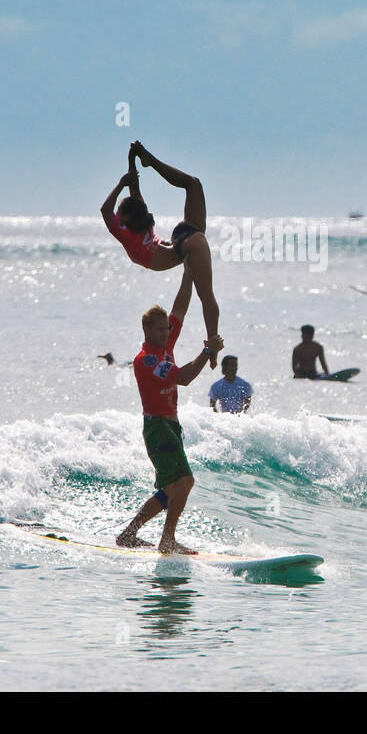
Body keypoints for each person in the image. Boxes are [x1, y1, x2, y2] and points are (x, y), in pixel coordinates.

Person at [117, 266, 222, 554]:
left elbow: (181, 306)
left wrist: (190, 269)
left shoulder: (166, 341)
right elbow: (185, 378)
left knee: (172, 489)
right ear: (147, 330)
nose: (166, 333)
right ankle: (167, 540)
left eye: (167, 329)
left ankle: (129, 533)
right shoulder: (146, 360)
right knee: (185, 481)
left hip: (171, 427)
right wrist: (208, 352)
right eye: (160, 330)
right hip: (157, 427)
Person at [101, 141, 221, 366]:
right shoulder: (126, 230)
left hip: (180, 244)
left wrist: (133, 158)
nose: (117, 213)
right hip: (181, 244)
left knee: (193, 184)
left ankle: (212, 345)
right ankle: (212, 344)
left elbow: (124, 194)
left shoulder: (129, 225)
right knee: (193, 185)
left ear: (125, 216)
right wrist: (122, 181)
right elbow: (109, 207)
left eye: (120, 211)